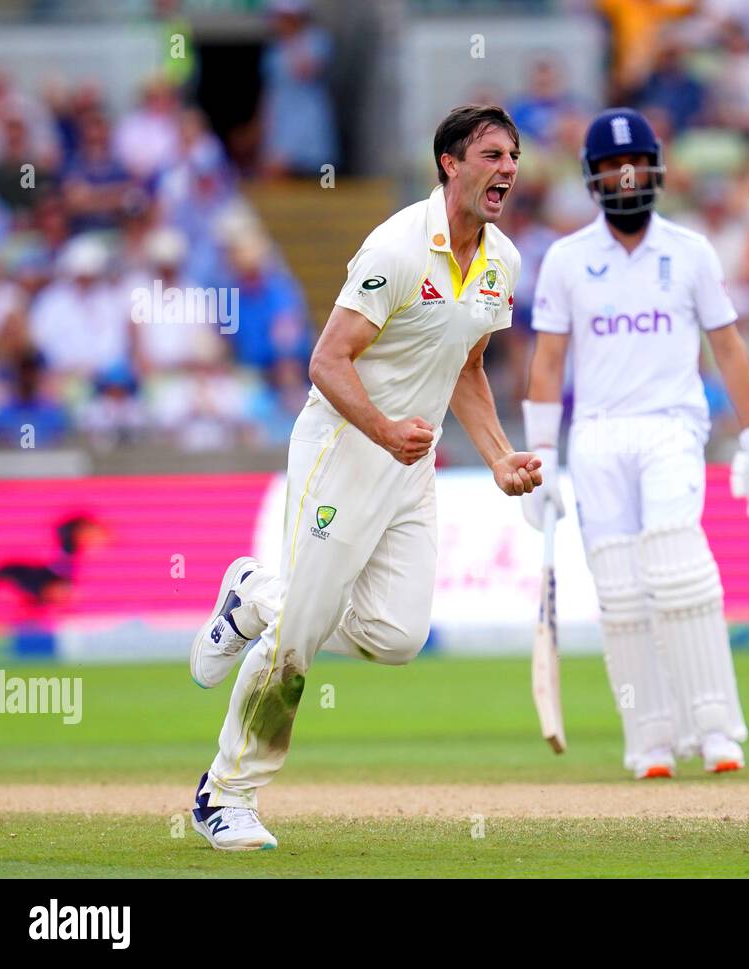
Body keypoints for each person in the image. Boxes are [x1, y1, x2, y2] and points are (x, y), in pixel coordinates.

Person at [188, 105, 538, 850]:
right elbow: (326, 360)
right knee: (296, 643)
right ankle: (226, 792)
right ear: (450, 162)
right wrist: (382, 430)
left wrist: (502, 454)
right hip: (345, 447)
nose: (507, 167)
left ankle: (256, 593)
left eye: (513, 155)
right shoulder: (397, 246)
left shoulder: (502, 259)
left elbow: (467, 368)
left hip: (412, 460)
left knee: (400, 633)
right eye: (491, 154)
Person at [522, 108, 749, 780]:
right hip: (597, 434)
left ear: (656, 169)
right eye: (612, 166)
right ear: (594, 176)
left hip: (671, 425)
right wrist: (540, 456)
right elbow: (547, 362)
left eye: (635, 163)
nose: (626, 175)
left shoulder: (689, 251)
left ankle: (717, 729)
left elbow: (727, 345)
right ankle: (651, 740)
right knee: (622, 594)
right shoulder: (567, 259)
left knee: (679, 569)